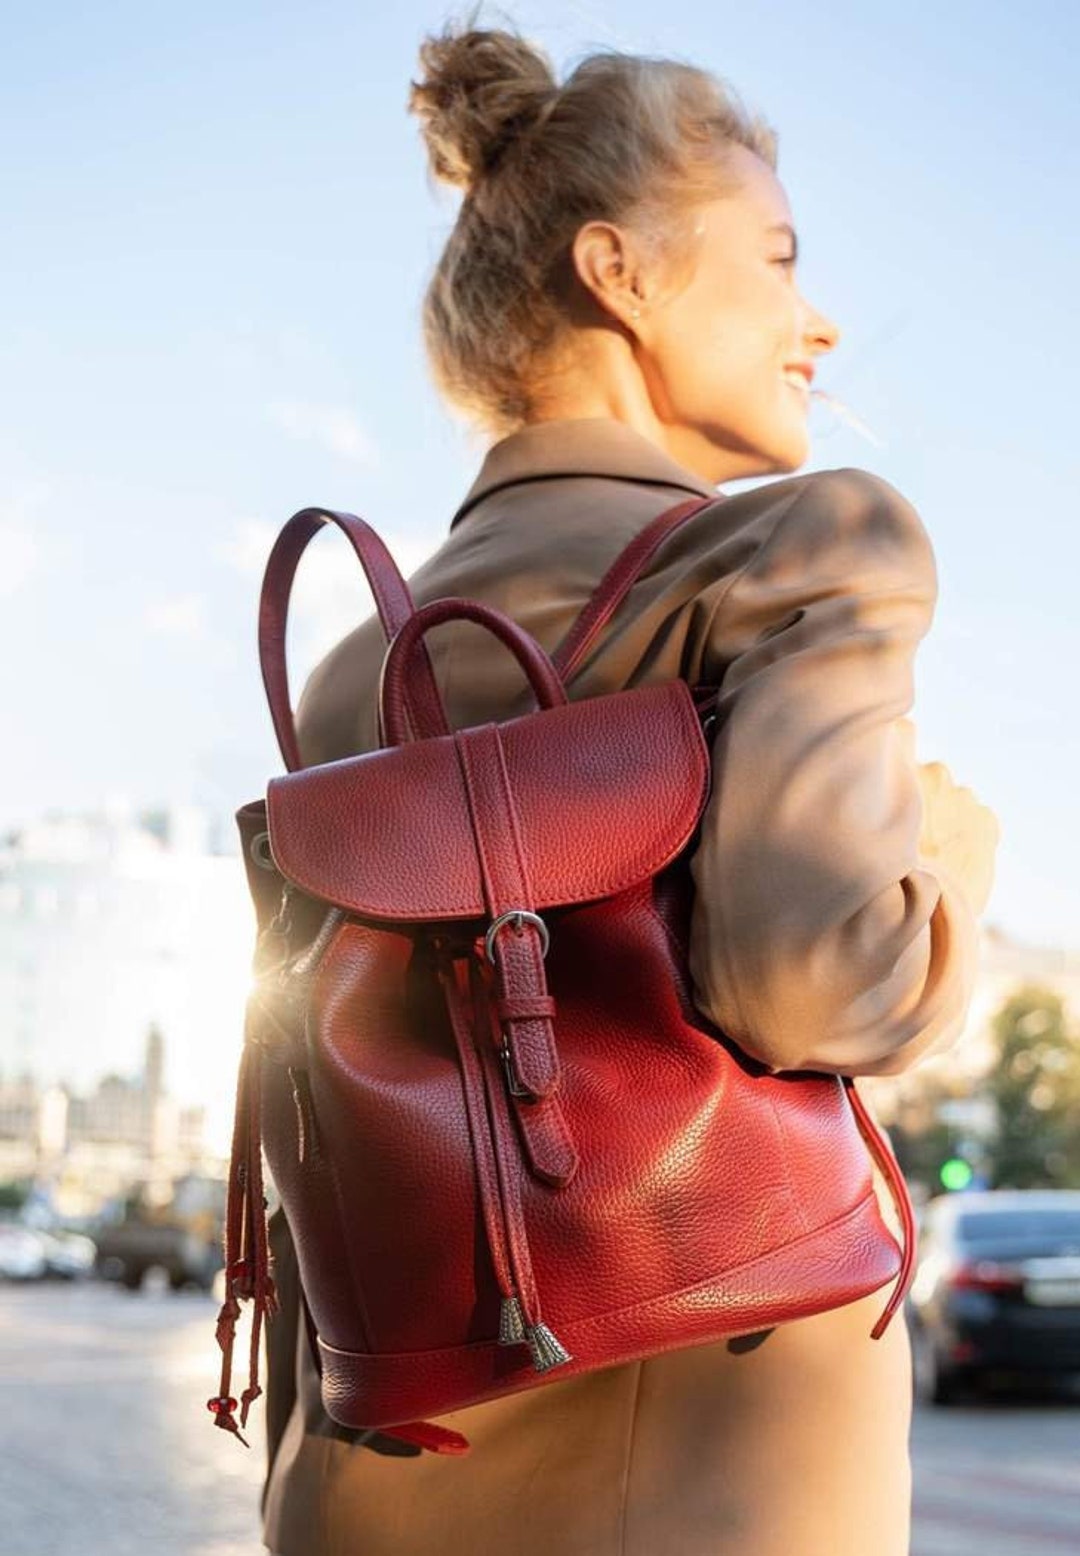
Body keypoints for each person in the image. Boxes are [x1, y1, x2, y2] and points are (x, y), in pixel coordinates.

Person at [259, 21, 1000, 1556]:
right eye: (780, 259)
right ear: (624, 270)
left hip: (367, 1468)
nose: (823, 322)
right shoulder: (807, 547)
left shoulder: (346, 673)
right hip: (713, 1469)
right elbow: (818, 984)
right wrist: (950, 857)